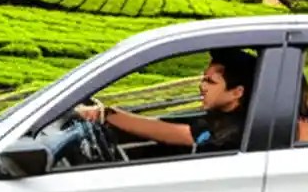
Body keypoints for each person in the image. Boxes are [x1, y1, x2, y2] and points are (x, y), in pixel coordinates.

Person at [75, 47, 257, 153]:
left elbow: (172, 133)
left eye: (210, 82)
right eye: (203, 79)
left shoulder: (236, 131)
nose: (202, 86)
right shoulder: (218, 117)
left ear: (236, 92)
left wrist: (106, 115)